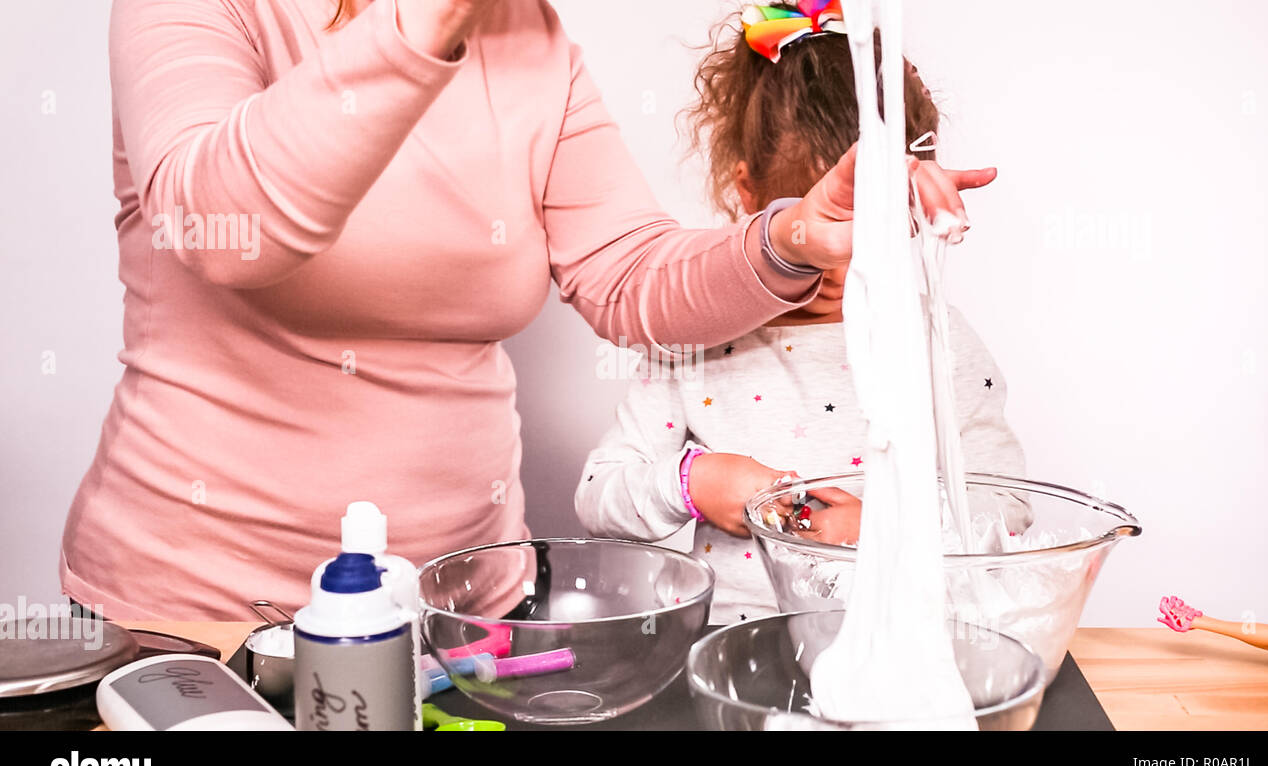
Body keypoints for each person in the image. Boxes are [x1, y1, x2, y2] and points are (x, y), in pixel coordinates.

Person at [64, 0, 992, 618]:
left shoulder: (526, 37)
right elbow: (227, 227)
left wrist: (788, 237)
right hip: (198, 619)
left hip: (464, 612)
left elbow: (631, 276)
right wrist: (428, 19)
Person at [573, 0, 1025, 623]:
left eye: (876, 229)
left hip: (900, 644)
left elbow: (1007, 504)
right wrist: (691, 482)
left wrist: (886, 525)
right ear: (748, 193)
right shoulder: (695, 339)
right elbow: (598, 495)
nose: (843, 265)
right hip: (732, 652)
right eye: (818, 236)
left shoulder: (935, 340)